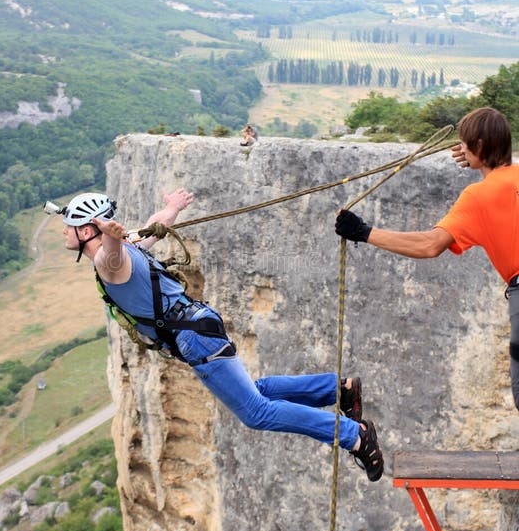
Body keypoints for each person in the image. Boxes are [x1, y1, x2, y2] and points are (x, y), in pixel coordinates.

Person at [48, 188, 384, 481]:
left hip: (195, 336)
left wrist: (109, 235)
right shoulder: (131, 242)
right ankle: (338, 390)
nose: (64, 231)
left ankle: (354, 436)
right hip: (198, 325)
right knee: (255, 392)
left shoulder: (110, 260)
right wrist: (173, 209)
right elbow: (157, 224)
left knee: (256, 413)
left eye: (71, 226)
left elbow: (110, 254)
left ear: (89, 229)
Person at [335, 106, 519, 411]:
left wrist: (364, 232)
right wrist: (479, 157)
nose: (459, 148)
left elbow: (430, 245)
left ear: (481, 146)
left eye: (464, 143)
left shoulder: (477, 196)